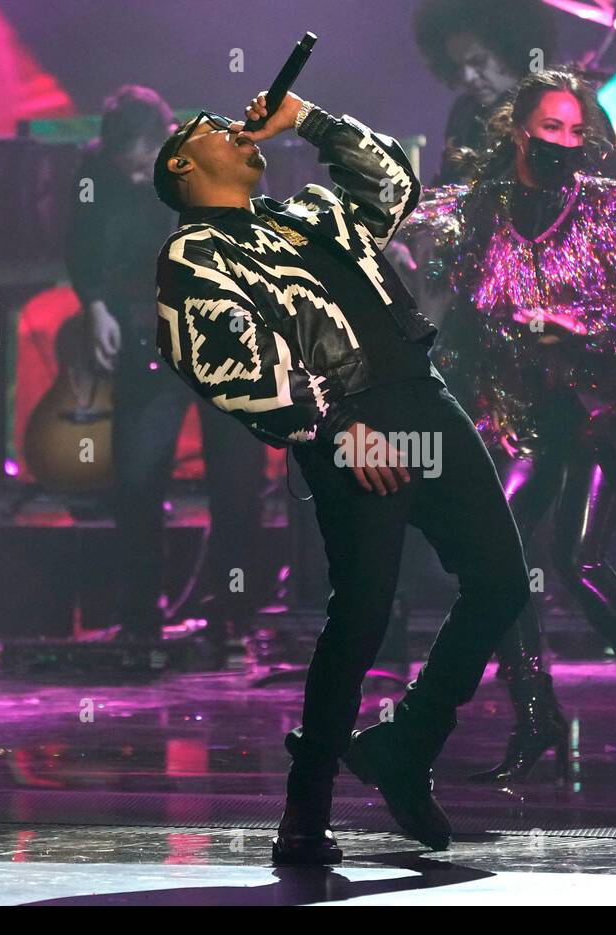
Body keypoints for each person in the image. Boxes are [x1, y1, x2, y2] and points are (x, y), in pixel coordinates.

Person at [153, 92, 530, 864]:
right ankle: (307, 801)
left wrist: (308, 119)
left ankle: (406, 743)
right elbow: (224, 361)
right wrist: (335, 429)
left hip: (425, 403)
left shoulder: (310, 213)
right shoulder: (195, 253)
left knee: (501, 581)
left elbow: (396, 185)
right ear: (182, 166)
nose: (234, 129)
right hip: (347, 425)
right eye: (212, 131)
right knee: (361, 613)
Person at [401, 68, 616, 781]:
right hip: (523, 405)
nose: (566, 143)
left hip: (608, 400)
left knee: (579, 559)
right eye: (551, 129)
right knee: (493, 556)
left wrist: (588, 325)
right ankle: (535, 713)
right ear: (517, 131)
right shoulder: (480, 211)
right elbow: (462, 315)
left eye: (577, 131)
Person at [64, 85, 266, 653]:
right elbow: (83, 243)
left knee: (236, 480)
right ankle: (139, 615)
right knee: (136, 476)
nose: (133, 180)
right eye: (123, 168)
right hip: (145, 333)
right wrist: (95, 304)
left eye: (141, 169)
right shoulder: (95, 171)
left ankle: (234, 614)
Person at [413, 0, 616, 185]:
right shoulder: (465, 112)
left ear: (510, 49)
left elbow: (609, 199)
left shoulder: (571, 108)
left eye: (478, 62)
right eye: (458, 66)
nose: (468, 76)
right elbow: (447, 187)